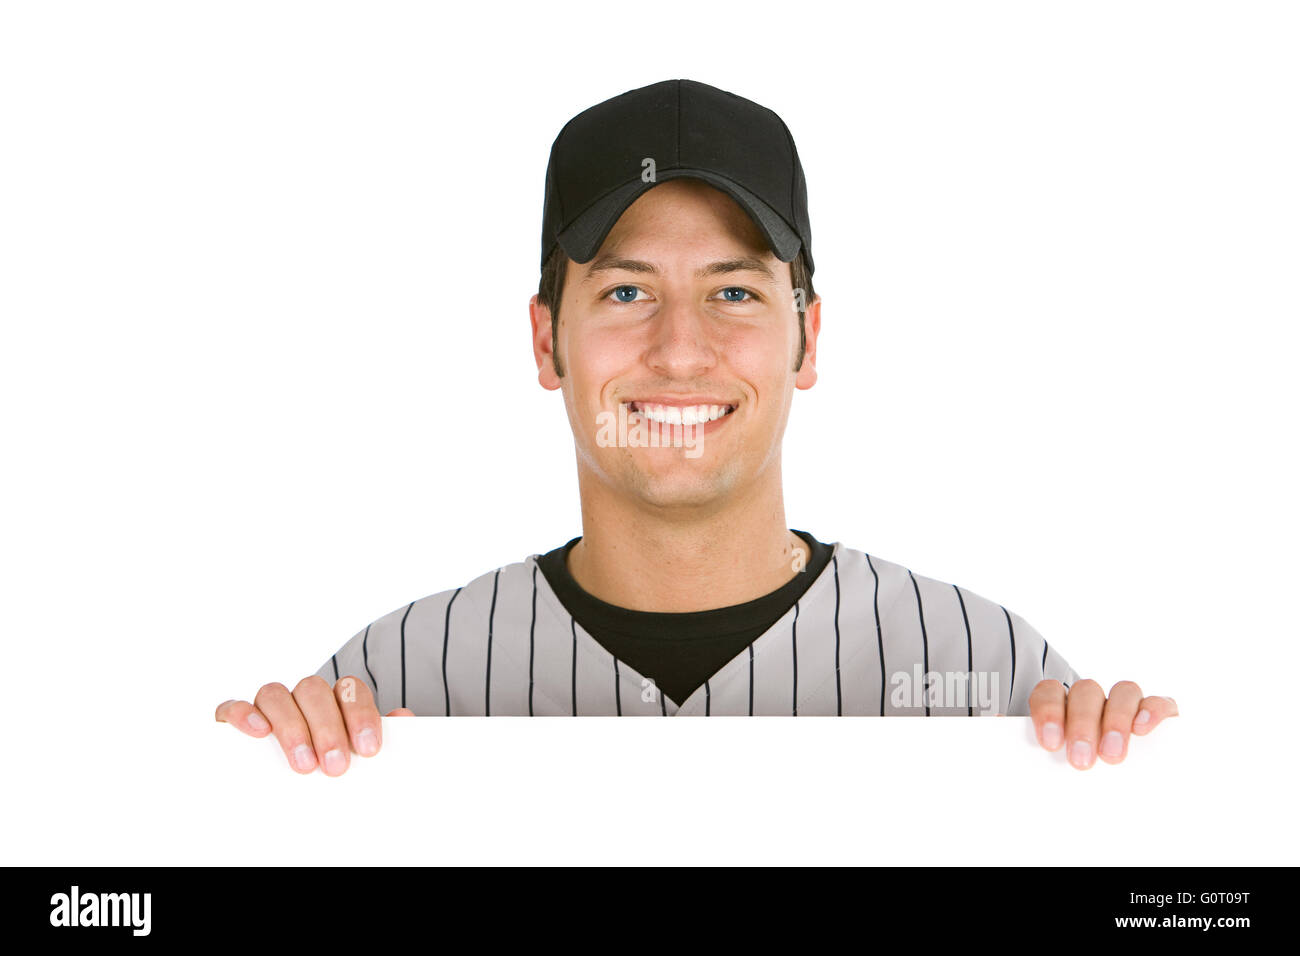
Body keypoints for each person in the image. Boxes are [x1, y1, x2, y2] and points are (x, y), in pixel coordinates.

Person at [215, 78, 1177, 775]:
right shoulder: (393, 687)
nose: (680, 352)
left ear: (806, 338)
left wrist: (1141, 803)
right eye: (627, 289)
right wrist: (258, 782)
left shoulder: (987, 673)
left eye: (734, 291)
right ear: (549, 342)